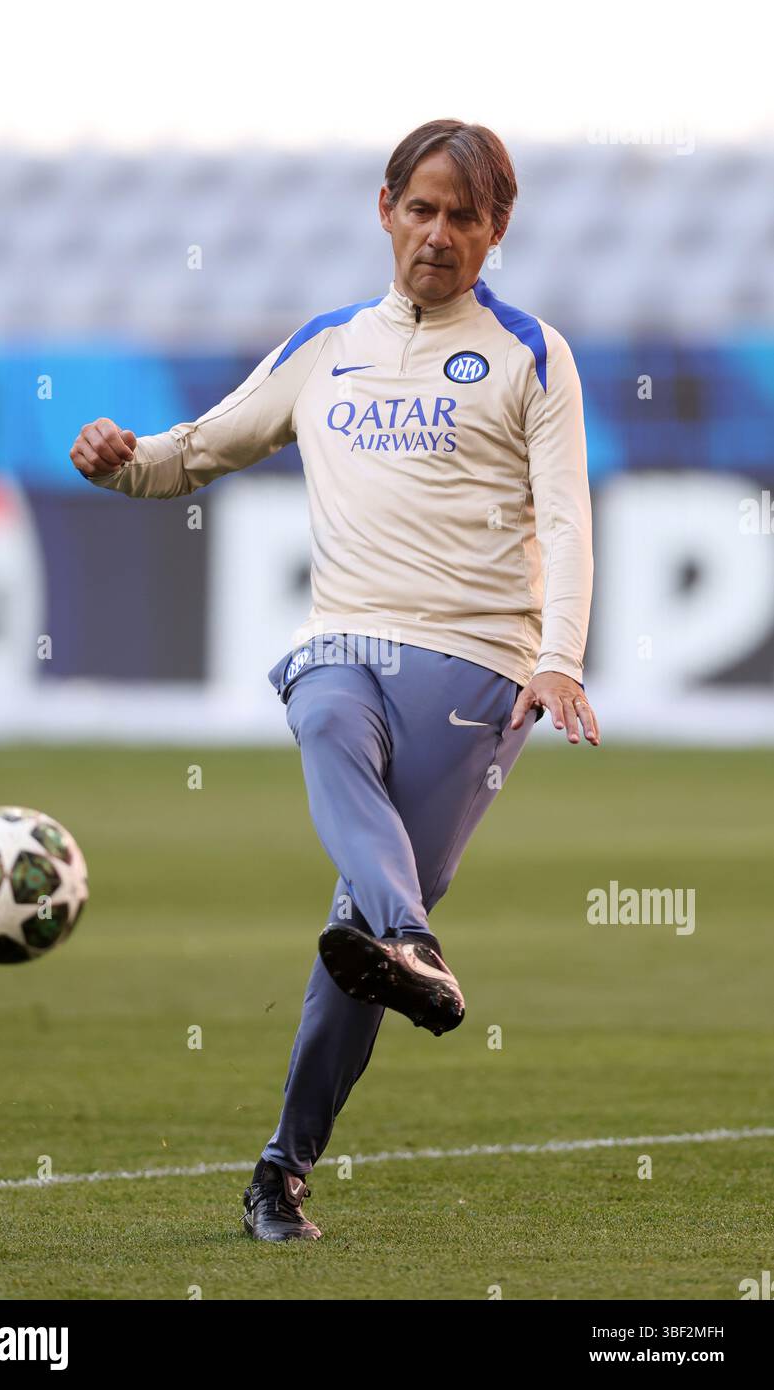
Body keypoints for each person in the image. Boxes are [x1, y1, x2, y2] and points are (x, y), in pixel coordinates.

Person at [70, 118, 599, 1244]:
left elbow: (564, 511)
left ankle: (281, 1167)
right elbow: (197, 449)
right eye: (421, 208)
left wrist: (557, 654)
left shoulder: (528, 352)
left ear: (496, 227)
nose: (438, 234)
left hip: (475, 662)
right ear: (384, 209)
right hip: (347, 640)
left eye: (464, 215)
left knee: (353, 940)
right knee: (315, 697)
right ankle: (421, 948)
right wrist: (123, 463)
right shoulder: (328, 345)